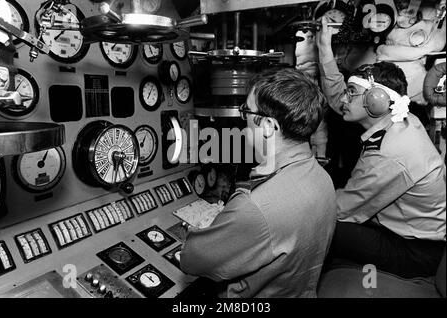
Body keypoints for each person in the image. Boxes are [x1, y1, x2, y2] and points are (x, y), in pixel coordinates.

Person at [180, 68, 337, 298]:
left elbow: (191, 260)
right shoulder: (321, 177)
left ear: (267, 126)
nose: (243, 121)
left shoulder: (255, 206)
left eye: (246, 111)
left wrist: (206, 229)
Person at [316, 16, 446, 278]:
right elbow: (337, 95)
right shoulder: (400, 120)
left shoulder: (390, 152)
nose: (346, 98)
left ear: (376, 101)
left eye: (352, 92)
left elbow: (343, 209)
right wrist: (323, 47)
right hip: (402, 229)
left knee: (317, 223)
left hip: (415, 252)